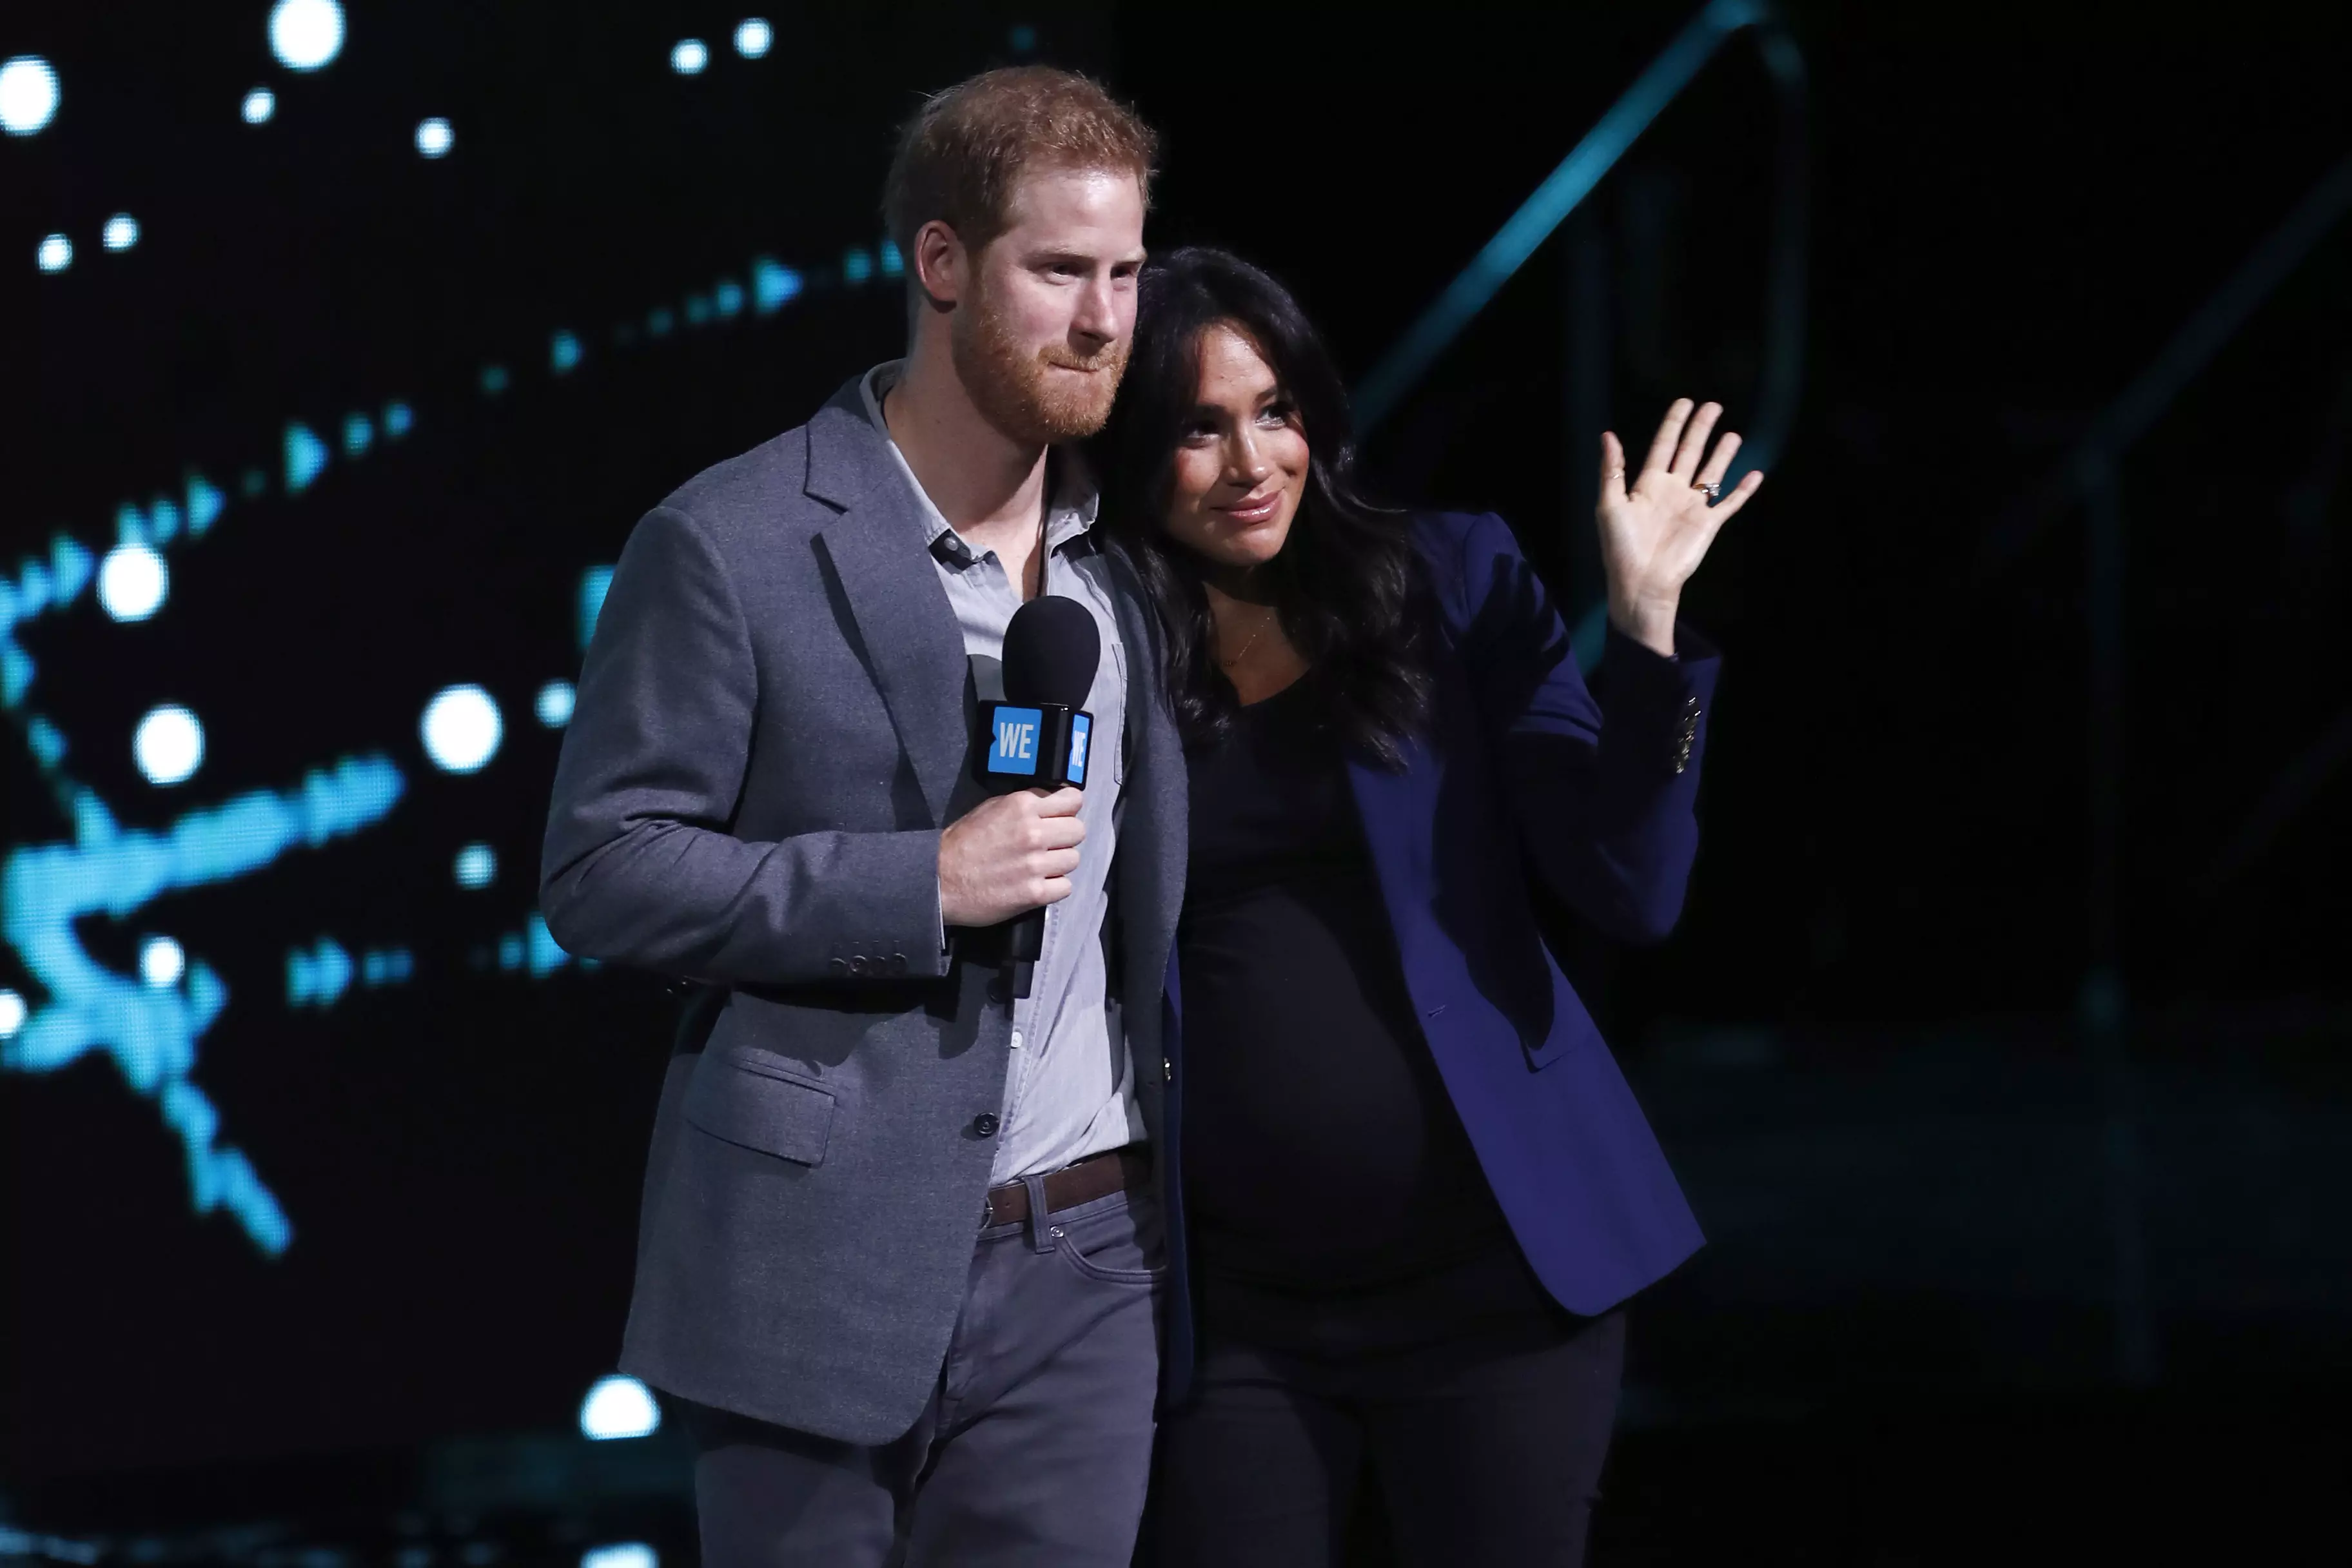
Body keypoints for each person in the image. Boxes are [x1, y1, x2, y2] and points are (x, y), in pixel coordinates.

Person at [539, 68, 1188, 1567]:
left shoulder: (1129, 565)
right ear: (943, 264)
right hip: (812, 1264)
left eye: (1125, 275)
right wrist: (921, 883)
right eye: (1058, 272)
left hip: (1090, 1259)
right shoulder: (733, 539)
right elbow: (602, 871)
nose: (1102, 320)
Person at [1089, 247, 1760, 1567]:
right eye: (1198, 428)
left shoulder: (1454, 580)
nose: (1251, 462)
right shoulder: (1097, 641)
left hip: (1497, 1285)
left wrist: (1646, 632)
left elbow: (1631, 885)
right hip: (1238, 1312)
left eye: (1274, 411)